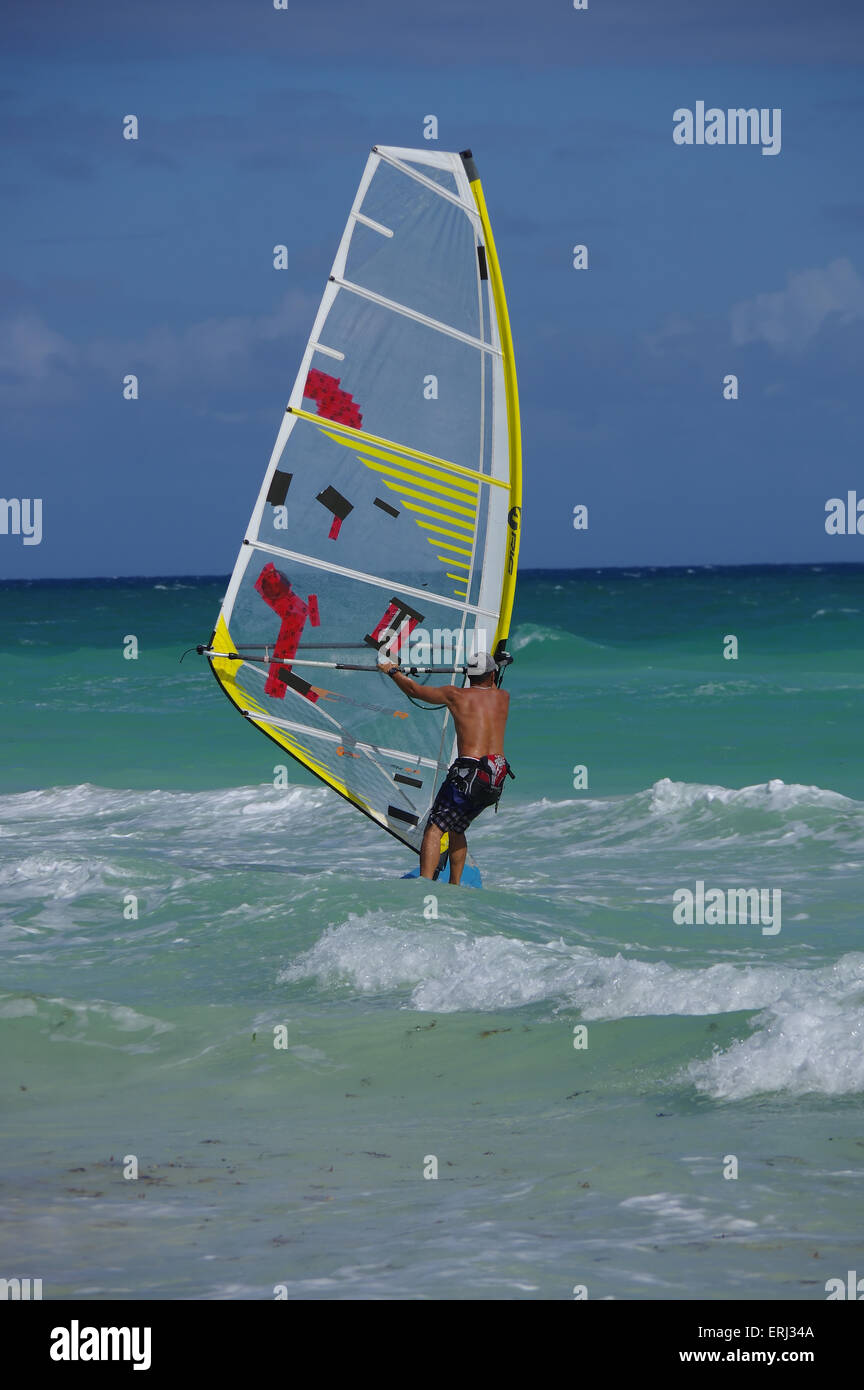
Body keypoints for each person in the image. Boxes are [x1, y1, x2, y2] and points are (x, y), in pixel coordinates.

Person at [380, 650, 512, 884]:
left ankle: (424, 884)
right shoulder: (503, 697)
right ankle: (455, 885)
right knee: (457, 828)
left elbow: (414, 690)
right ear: (492, 675)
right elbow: (489, 683)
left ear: (469, 675)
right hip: (496, 777)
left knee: (435, 827)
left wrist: (392, 671)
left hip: (469, 774)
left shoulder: (455, 695)